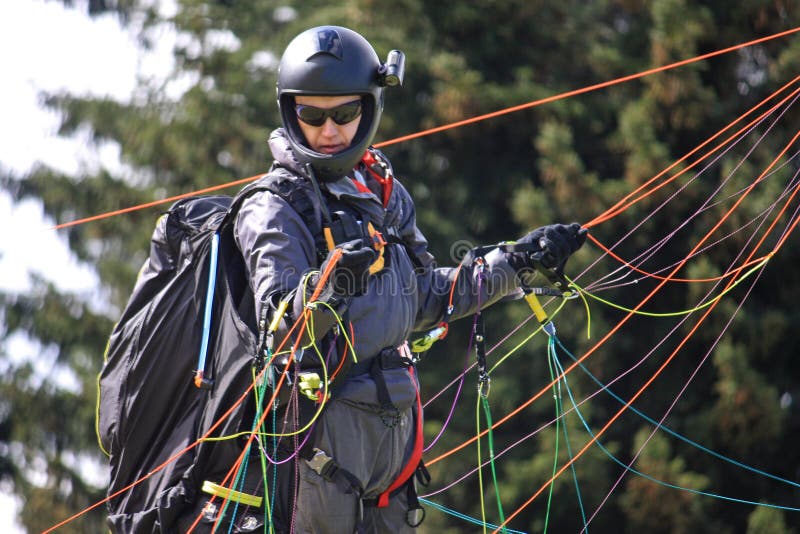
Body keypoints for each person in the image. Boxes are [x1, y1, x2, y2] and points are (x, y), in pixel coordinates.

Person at [233, 25, 587, 533]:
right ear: (291, 113)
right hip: (318, 434)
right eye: (311, 115)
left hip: (394, 435)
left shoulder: (384, 193)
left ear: (369, 108)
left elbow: (428, 297)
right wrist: (329, 287)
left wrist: (516, 260)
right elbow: (280, 326)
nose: (328, 129)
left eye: (344, 114)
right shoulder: (274, 206)